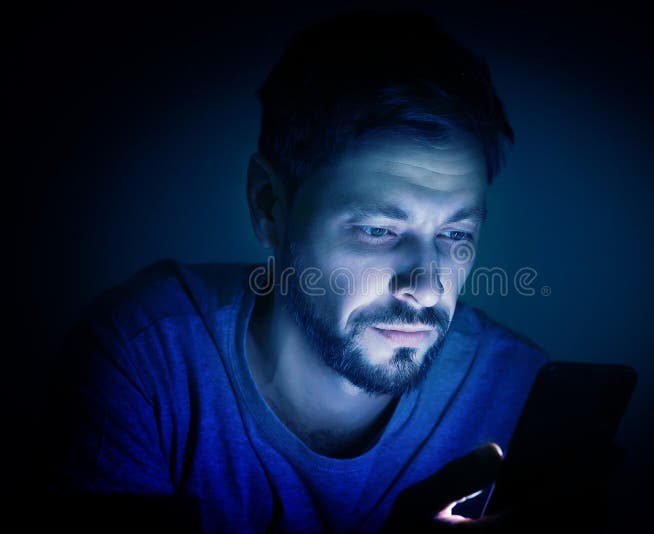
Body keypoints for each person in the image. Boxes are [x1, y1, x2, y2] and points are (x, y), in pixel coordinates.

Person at [44, 10, 553, 532]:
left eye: (455, 235)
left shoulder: (524, 395)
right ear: (270, 205)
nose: (426, 288)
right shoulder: (149, 361)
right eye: (377, 230)